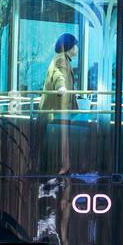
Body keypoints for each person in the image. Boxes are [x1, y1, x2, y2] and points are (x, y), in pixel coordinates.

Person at [39, 33, 78, 173]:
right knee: (62, 141)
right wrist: (61, 87)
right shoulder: (61, 60)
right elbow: (58, 75)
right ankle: (63, 168)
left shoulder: (63, 59)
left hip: (59, 111)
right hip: (57, 112)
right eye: (75, 45)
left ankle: (63, 167)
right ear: (69, 46)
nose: (77, 48)